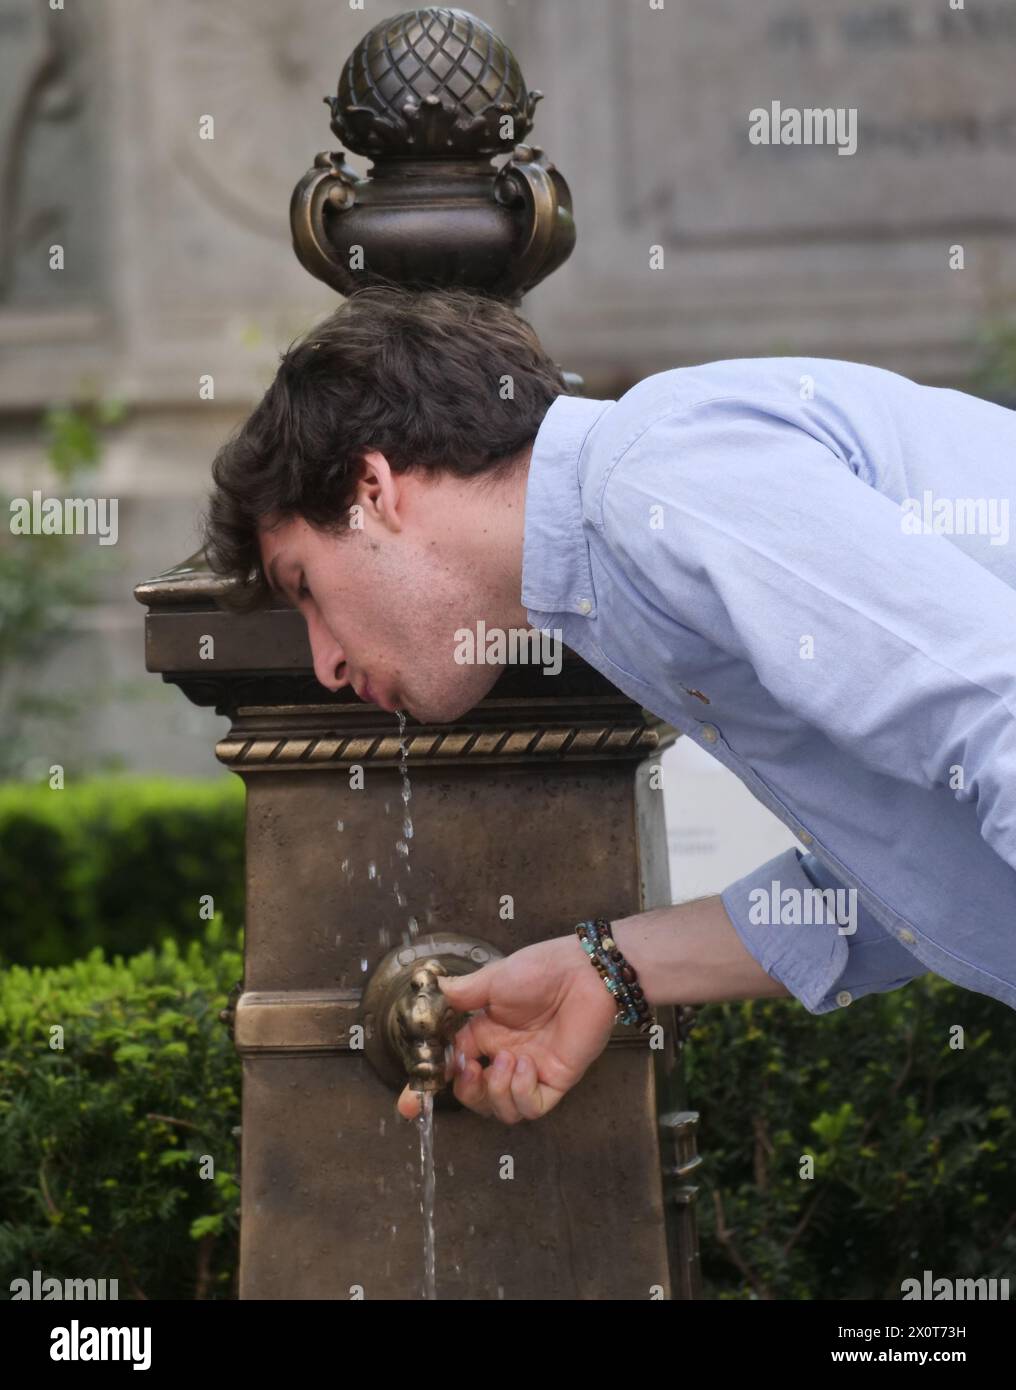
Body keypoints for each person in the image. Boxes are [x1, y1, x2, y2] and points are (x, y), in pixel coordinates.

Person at [202, 284, 1016, 1125]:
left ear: (372, 491)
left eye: (305, 588)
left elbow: (994, 709)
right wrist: (607, 968)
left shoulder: (654, 477)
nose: (325, 662)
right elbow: (909, 872)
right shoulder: (617, 559)